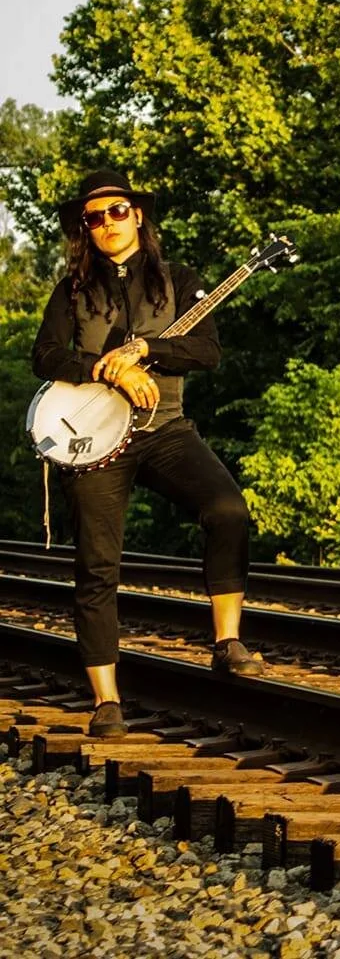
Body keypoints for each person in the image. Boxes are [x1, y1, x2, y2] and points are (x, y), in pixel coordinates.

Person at [31, 169, 263, 739]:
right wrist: (100, 367)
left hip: (165, 430)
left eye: (117, 211)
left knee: (228, 510)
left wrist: (145, 349)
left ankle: (227, 641)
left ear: (137, 216)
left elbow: (207, 351)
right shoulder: (72, 291)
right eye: (94, 217)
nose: (107, 223)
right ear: (85, 230)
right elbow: (44, 357)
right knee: (96, 565)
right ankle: (107, 702)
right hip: (92, 444)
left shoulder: (180, 281)